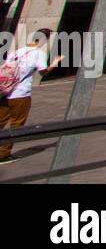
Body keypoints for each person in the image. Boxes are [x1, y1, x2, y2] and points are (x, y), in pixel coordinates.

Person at [0, 28, 64, 163]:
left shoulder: (16, 52)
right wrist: (54, 63)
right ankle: (3, 154)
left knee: (0, 121)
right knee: (16, 124)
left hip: (5, 92)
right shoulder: (38, 53)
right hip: (21, 94)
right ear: (44, 39)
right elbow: (43, 72)